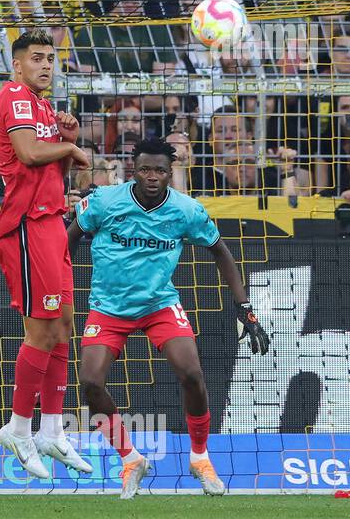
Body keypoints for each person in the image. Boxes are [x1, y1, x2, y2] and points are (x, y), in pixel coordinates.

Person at [67, 137, 271, 498]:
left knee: (192, 374)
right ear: (133, 169)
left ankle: (200, 458)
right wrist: (57, 288)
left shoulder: (186, 210)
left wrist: (244, 308)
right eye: (144, 169)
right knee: (90, 384)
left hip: (160, 304)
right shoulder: (104, 201)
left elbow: (221, 252)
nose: (152, 176)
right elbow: (70, 238)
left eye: (160, 170)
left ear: (169, 172)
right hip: (108, 307)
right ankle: (131, 458)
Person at [0, 29, 93, 480]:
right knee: (40, 329)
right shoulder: (13, 94)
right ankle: (18, 428)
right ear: (17, 65)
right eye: (37, 58)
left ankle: (52, 430)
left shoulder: (45, 108)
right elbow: (29, 152)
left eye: (51, 58)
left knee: (65, 324)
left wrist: (67, 140)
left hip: (53, 221)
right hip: (27, 225)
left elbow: (56, 170)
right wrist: (69, 144)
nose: (46, 65)